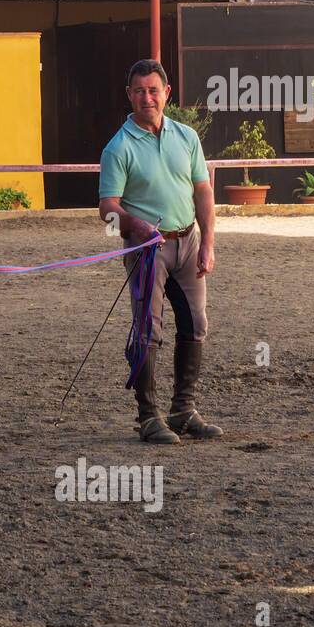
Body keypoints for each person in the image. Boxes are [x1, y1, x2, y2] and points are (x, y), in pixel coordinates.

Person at [98, 59, 224, 444]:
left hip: (187, 244)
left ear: (166, 93)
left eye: (153, 90)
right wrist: (135, 226)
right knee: (147, 329)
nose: (147, 97)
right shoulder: (117, 148)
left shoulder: (187, 138)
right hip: (147, 252)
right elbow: (107, 211)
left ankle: (183, 410)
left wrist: (207, 242)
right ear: (129, 95)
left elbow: (202, 189)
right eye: (139, 91)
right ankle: (149, 417)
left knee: (195, 325)